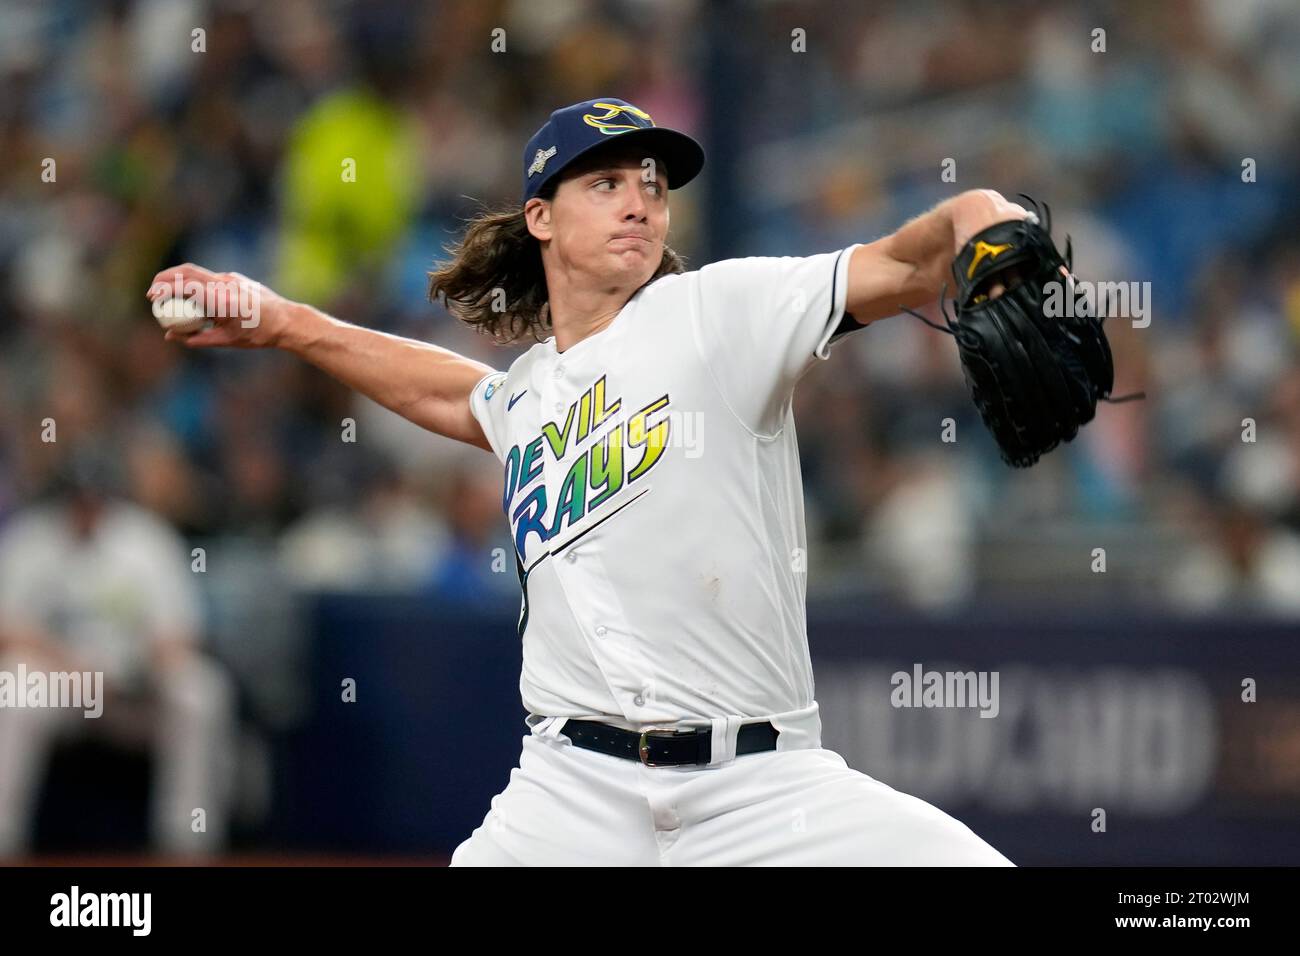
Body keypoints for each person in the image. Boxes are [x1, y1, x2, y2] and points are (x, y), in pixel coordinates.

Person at [148, 97, 1024, 865]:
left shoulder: (719, 313)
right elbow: (453, 391)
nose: (641, 200)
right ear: (540, 216)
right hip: (570, 796)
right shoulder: (527, 393)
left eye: (652, 183)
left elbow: (900, 265)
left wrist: (978, 216)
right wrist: (285, 321)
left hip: (762, 791)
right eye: (606, 183)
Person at [0, 446, 236, 857]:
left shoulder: (146, 540)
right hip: (64, 688)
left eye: (96, 496)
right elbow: (7, 630)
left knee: (200, 691)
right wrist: (69, 665)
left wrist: (140, 668)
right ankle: (4, 835)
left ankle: (186, 841)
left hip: (132, 692)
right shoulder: (31, 539)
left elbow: (180, 635)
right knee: (14, 683)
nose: (87, 505)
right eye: (78, 496)